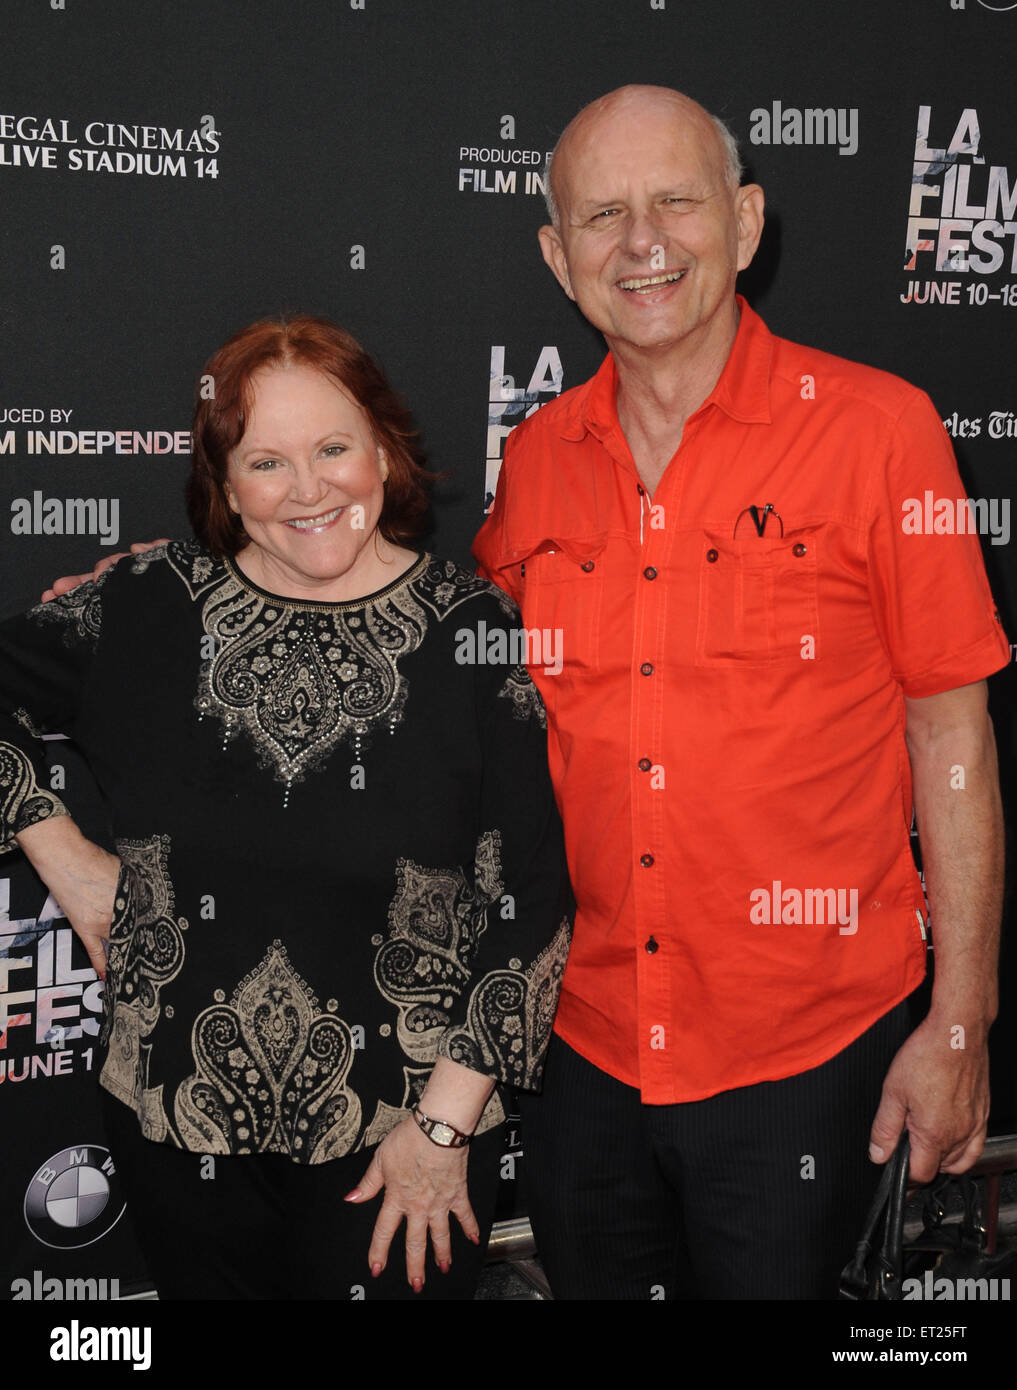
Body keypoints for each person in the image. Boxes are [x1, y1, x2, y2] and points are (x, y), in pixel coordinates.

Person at [471, 85, 1010, 1299]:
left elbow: (952, 735)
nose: (643, 241)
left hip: (808, 1054)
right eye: (603, 215)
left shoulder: (882, 431)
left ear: (747, 220)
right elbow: (465, 678)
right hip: (584, 1051)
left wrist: (962, 1022)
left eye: (676, 201)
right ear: (560, 260)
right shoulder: (540, 457)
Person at [0, 315, 570, 1300]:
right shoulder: (142, 606)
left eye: (334, 448)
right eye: (266, 461)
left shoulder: (476, 633)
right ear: (223, 485)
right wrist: (64, 854)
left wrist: (442, 1131)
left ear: (387, 454)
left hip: (403, 1148)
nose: (308, 490)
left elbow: (532, 901)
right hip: (175, 1133)